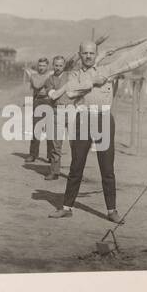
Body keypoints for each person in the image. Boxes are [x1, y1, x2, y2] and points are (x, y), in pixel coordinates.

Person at [48, 40, 120, 222]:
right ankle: (67, 207)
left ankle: (112, 210)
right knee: (76, 165)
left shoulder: (107, 72)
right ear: (80, 55)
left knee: (107, 167)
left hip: (104, 120)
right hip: (83, 120)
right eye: (85, 53)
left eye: (91, 53)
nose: (88, 56)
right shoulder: (74, 76)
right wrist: (93, 81)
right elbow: (72, 92)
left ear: (96, 55)